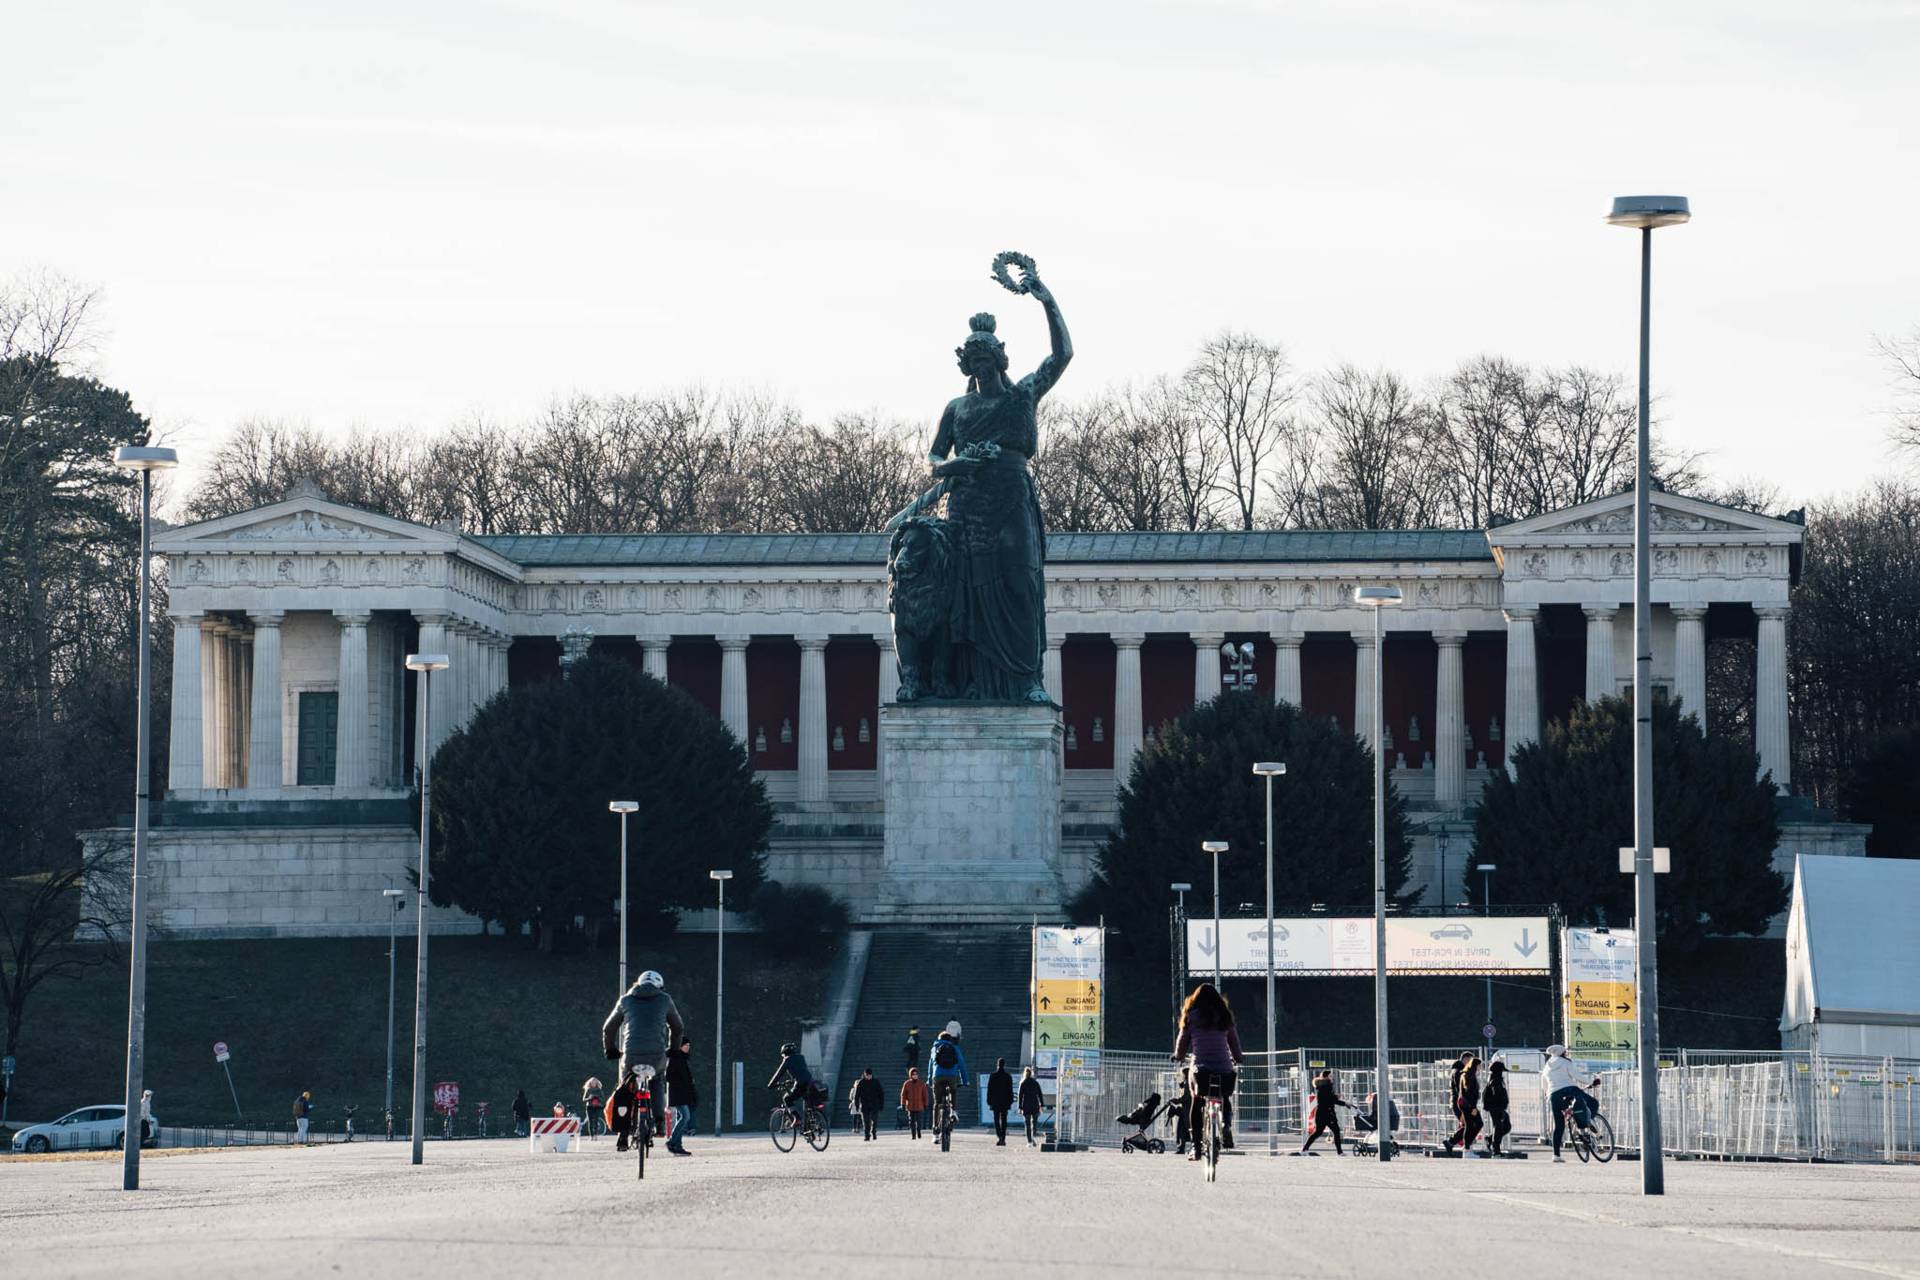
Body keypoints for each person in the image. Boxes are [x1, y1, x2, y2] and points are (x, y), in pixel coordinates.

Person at [898, 267, 1072, 703]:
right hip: (967, 504)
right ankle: (968, 682)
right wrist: (957, 465)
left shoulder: (1023, 395)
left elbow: (1062, 355)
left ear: (998, 361)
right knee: (966, 596)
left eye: (985, 361)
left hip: (1011, 498)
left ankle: (1026, 679)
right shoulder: (957, 407)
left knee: (1021, 587)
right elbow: (935, 459)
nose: (979, 369)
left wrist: (1045, 299)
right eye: (972, 363)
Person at [601, 969, 685, 1135]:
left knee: (625, 1085)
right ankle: (660, 1123)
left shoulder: (625, 1000)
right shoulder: (665, 1000)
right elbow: (678, 1027)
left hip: (631, 1055)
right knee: (657, 1080)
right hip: (657, 1054)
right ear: (660, 986)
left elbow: (608, 1028)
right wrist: (674, 1050)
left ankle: (623, 1133)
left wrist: (610, 1050)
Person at [1172, 982, 1244, 1159]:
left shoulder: (1190, 1017)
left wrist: (1178, 1056)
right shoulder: (1224, 1017)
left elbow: (1182, 1042)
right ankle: (1226, 1125)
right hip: (1224, 1068)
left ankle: (1196, 1147)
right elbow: (1234, 1042)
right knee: (1225, 1096)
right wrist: (1238, 1057)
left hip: (1201, 1070)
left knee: (1196, 1099)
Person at [1542, 1044, 1602, 1163]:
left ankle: (1556, 1155)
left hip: (1554, 1095)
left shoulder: (1546, 1067)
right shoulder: (1565, 1062)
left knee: (1559, 1125)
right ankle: (1589, 1121)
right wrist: (1592, 1081)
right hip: (1570, 1090)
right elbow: (1577, 1076)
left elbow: (1544, 1084)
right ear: (1562, 1053)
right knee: (1593, 1103)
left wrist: (1548, 1095)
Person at [927, 1024, 971, 1129]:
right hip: (951, 1076)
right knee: (953, 1091)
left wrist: (929, 1080)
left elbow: (930, 1065)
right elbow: (961, 1064)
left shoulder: (935, 1048)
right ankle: (953, 1111)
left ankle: (935, 1129)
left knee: (937, 1103)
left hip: (937, 1076)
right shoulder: (954, 1047)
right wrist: (965, 1080)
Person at [663, 1036, 697, 1155]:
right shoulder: (675, 1058)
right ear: (680, 1046)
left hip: (683, 1094)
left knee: (681, 1117)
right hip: (678, 1094)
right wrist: (681, 1084)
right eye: (686, 1046)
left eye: (689, 1046)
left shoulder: (682, 1058)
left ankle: (678, 1145)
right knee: (685, 1117)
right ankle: (672, 1141)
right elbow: (668, 1076)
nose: (688, 1048)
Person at [768, 1041, 817, 1123]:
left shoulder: (787, 1060)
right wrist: (792, 1081)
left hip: (800, 1084)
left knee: (787, 1098)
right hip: (810, 1082)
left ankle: (797, 1118)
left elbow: (778, 1074)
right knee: (806, 1100)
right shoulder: (801, 1057)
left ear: (784, 1053)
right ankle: (810, 1124)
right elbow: (801, 1071)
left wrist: (771, 1084)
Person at [1301, 1070, 1346, 1155]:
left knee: (1318, 1132)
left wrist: (1335, 1097)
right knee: (1335, 1131)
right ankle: (1340, 1153)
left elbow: (1327, 1098)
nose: (1332, 1078)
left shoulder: (1322, 1087)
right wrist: (1344, 1103)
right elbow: (1331, 1100)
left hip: (1321, 1113)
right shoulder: (1327, 1087)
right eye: (1330, 1076)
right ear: (1326, 1077)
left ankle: (1304, 1149)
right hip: (1328, 1113)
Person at [1447, 1054, 1483, 1154]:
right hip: (1464, 1104)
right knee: (1470, 1125)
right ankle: (1465, 1148)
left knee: (1471, 1125)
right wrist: (1472, 1107)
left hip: (1463, 1103)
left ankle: (1452, 1142)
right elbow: (1465, 1092)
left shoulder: (1462, 1072)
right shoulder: (1462, 1073)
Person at [1483, 1060, 1512, 1157]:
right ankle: (1496, 1150)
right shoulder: (1495, 1080)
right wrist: (1500, 1108)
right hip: (1496, 1108)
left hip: (1498, 1107)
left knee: (1505, 1126)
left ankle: (1490, 1140)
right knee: (1499, 1126)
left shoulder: (1495, 1079)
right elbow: (1497, 1095)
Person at [986, 1057, 1015, 1146]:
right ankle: (1003, 1137)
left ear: (997, 1065)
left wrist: (989, 1100)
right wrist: (1010, 1101)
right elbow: (1010, 1090)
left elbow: (989, 1089)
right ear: (1004, 1065)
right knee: (1004, 1120)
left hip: (995, 1101)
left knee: (996, 1120)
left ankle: (999, 1137)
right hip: (1005, 1102)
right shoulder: (1008, 1076)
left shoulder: (993, 1075)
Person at [854, 1068, 886, 1141]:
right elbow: (857, 1095)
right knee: (866, 1121)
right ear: (865, 1075)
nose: (869, 1077)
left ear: (872, 1075)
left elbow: (881, 1093)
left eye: (870, 1075)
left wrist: (881, 1104)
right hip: (864, 1105)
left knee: (874, 1120)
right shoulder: (861, 1083)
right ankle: (867, 1135)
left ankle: (874, 1131)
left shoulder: (876, 1082)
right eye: (867, 1075)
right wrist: (857, 1105)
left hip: (875, 1105)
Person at [900, 1067, 931, 1140]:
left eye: (916, 1074)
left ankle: (919, 1131)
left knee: (919, 1121)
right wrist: (903, 1104)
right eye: (913, 1074)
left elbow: (925, 1095)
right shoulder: (907, 1083)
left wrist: (926, 1104)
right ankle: (913, 1135)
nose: (915, 1076)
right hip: (910, 1106)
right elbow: (903, 1095)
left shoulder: (921, 1084)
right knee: (911, 1121)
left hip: (919, 1106)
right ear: (911, 1075)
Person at [1017, 1066, 1043, 1147]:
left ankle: (1029, 1141)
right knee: (1034, 1123)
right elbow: (1040, 1094)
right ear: (1031, 1074)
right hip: (1035, 1105)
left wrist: (1020, 1107)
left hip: (1026, 1106)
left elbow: (1020, 1096)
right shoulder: (1035, 1082)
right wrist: (1042, 1105)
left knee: (1027, 1124)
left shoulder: (1023, 1083)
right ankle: (1033, 1137)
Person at [1168, 1068, 1193, 1155]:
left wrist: (1176, 1100)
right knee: (1182, 1129)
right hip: (1185, 1109)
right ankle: (1182, 1147)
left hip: (1187, 1109)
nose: (1182, 1076)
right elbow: (1181, 1085)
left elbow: (1186, 1097)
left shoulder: (1189, 1083)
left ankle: (1182, 1147)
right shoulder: (1187, 1082)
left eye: (1182, 1074)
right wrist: (1177, 1074)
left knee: (1183, 1129)